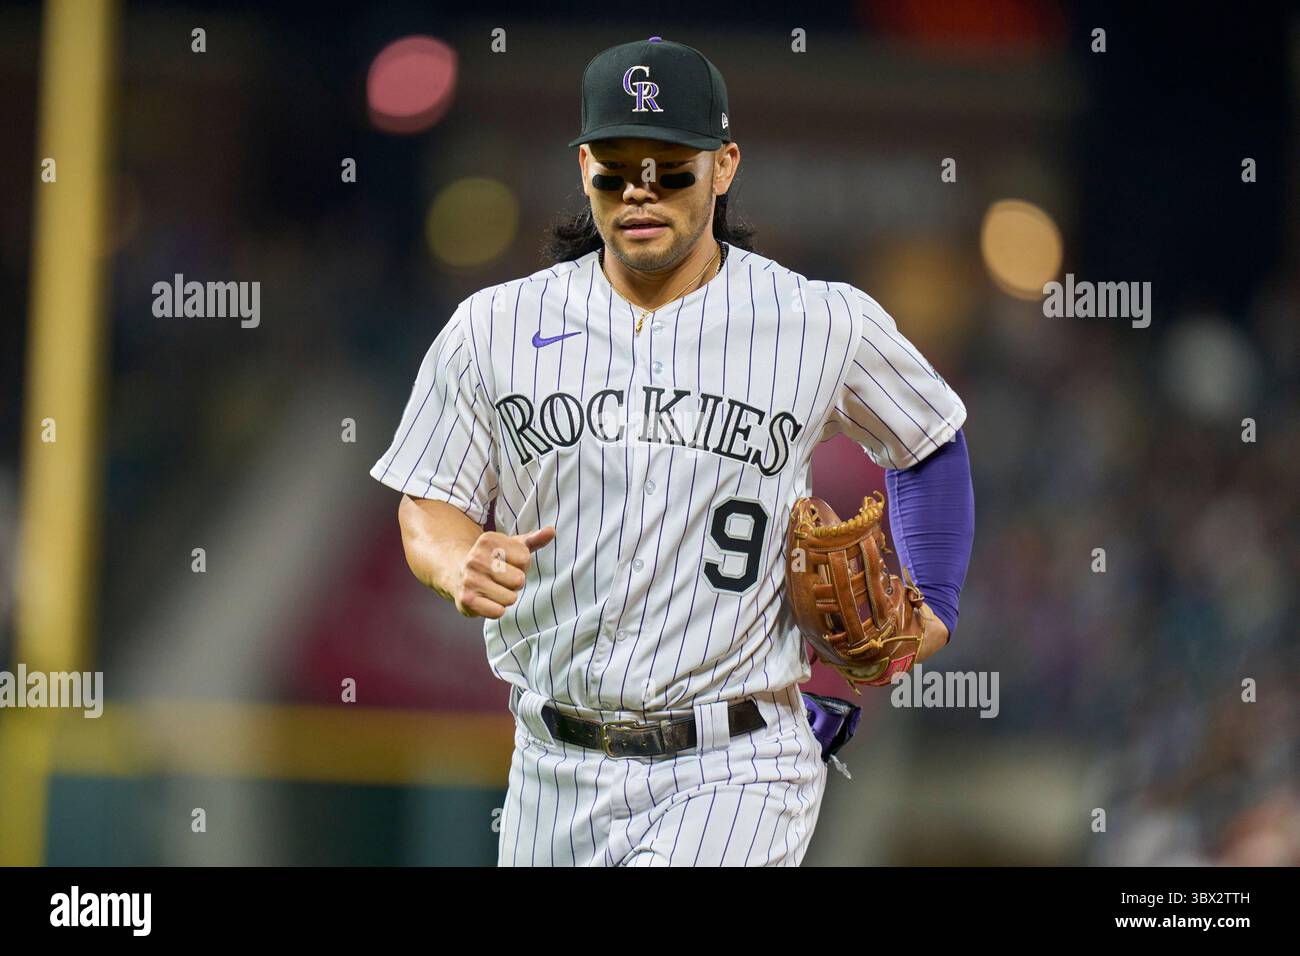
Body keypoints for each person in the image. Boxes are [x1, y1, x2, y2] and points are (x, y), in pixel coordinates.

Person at [371, 37, 975, 866]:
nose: (640, 191)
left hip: (735, 764)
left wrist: (933, 604)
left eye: (670, 166)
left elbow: (929, 439)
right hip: (551, 764)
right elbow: (427, 499)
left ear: (724, 165)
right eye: (617, 166)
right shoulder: (492, 327)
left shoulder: (819, 320)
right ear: (584, 167)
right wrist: (456, 558)